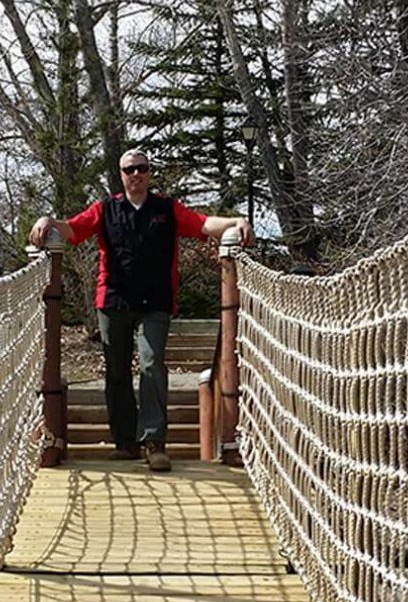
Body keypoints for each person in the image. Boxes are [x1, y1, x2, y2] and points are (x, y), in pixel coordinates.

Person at [29, 149, 254, 472]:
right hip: (114, 301)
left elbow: (204, 224)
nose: (136, 174)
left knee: (151, 363)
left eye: (142, 168)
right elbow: (72, 229)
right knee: (116, 371)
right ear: (121, 174)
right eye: (130, 169)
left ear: (149, 173)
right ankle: (125, 443)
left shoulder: (166, 209)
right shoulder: (106, 209)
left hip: (155, 302)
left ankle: (154, 443)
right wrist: (46, 221)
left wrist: (235, 221)